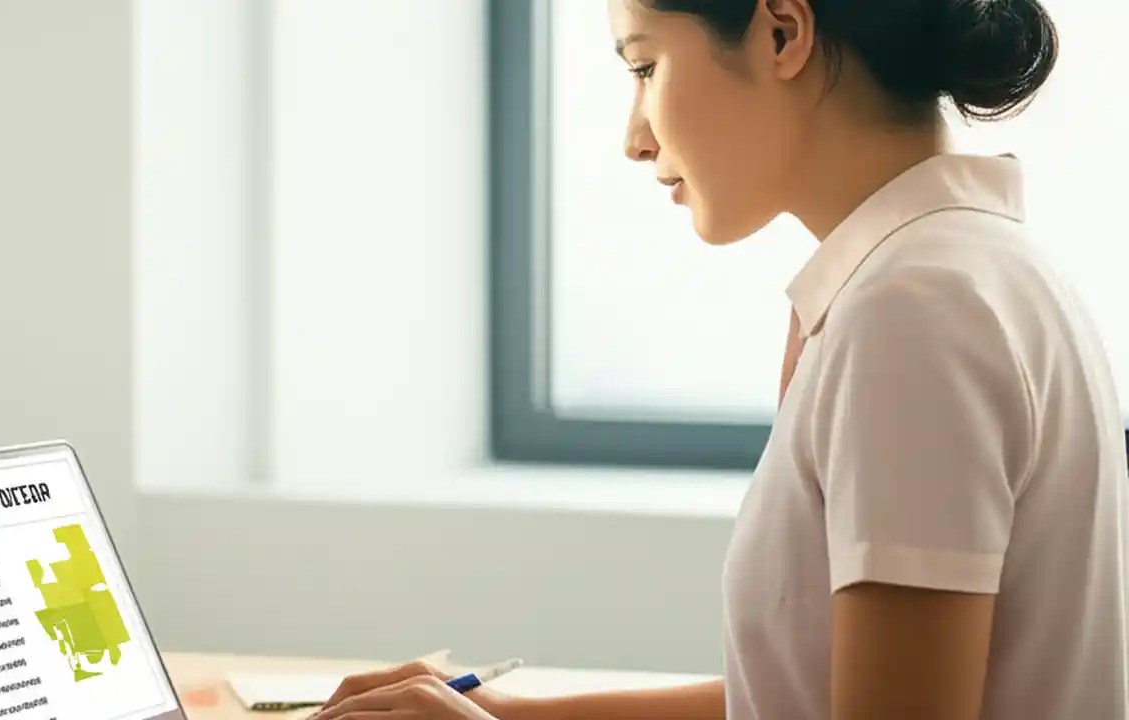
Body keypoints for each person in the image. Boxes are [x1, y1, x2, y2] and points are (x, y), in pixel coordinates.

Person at [310, 0, 1129, 717]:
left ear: (780, 32)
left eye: (645, 66)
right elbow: (807, 698)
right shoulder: (953, 272)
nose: (635, 137)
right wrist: (514, 718)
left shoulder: (914, 316)